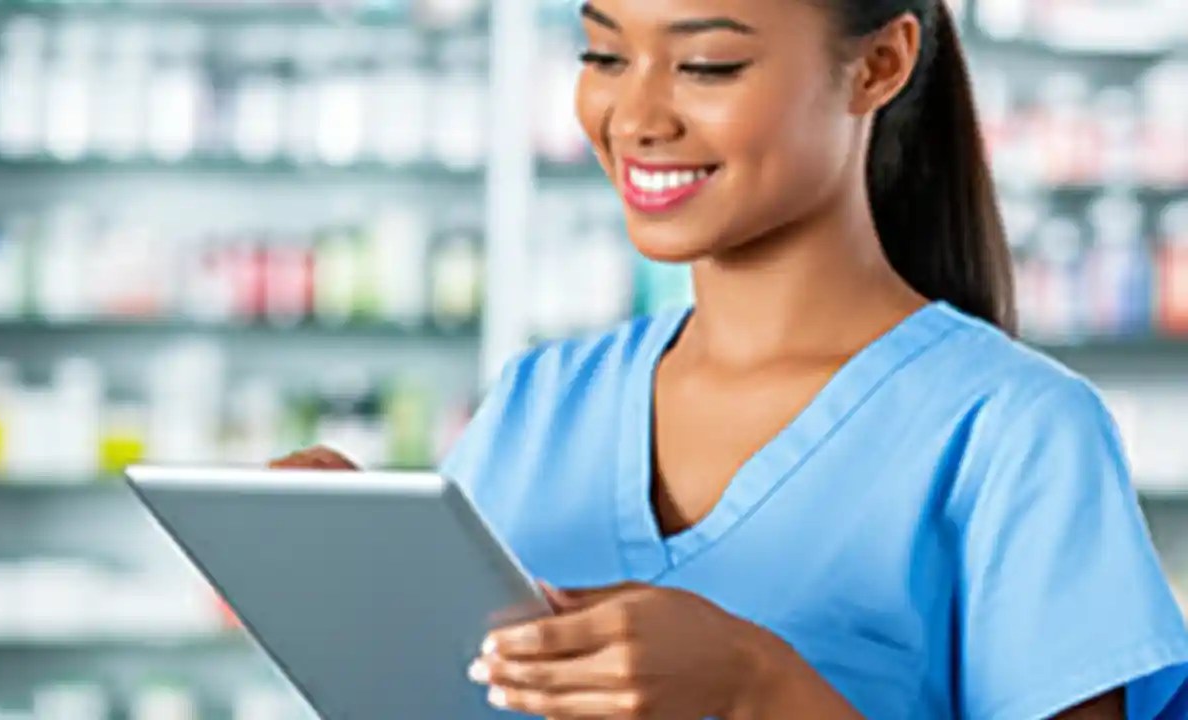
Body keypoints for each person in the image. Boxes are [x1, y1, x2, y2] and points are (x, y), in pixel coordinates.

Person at [273, 0, 1188, 716]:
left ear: (879, 65)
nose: (634, 115)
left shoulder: (1013, 432)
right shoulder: (540, 401)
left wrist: (755, 684)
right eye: (602, 54)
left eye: (708, 64)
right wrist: (357, 594)